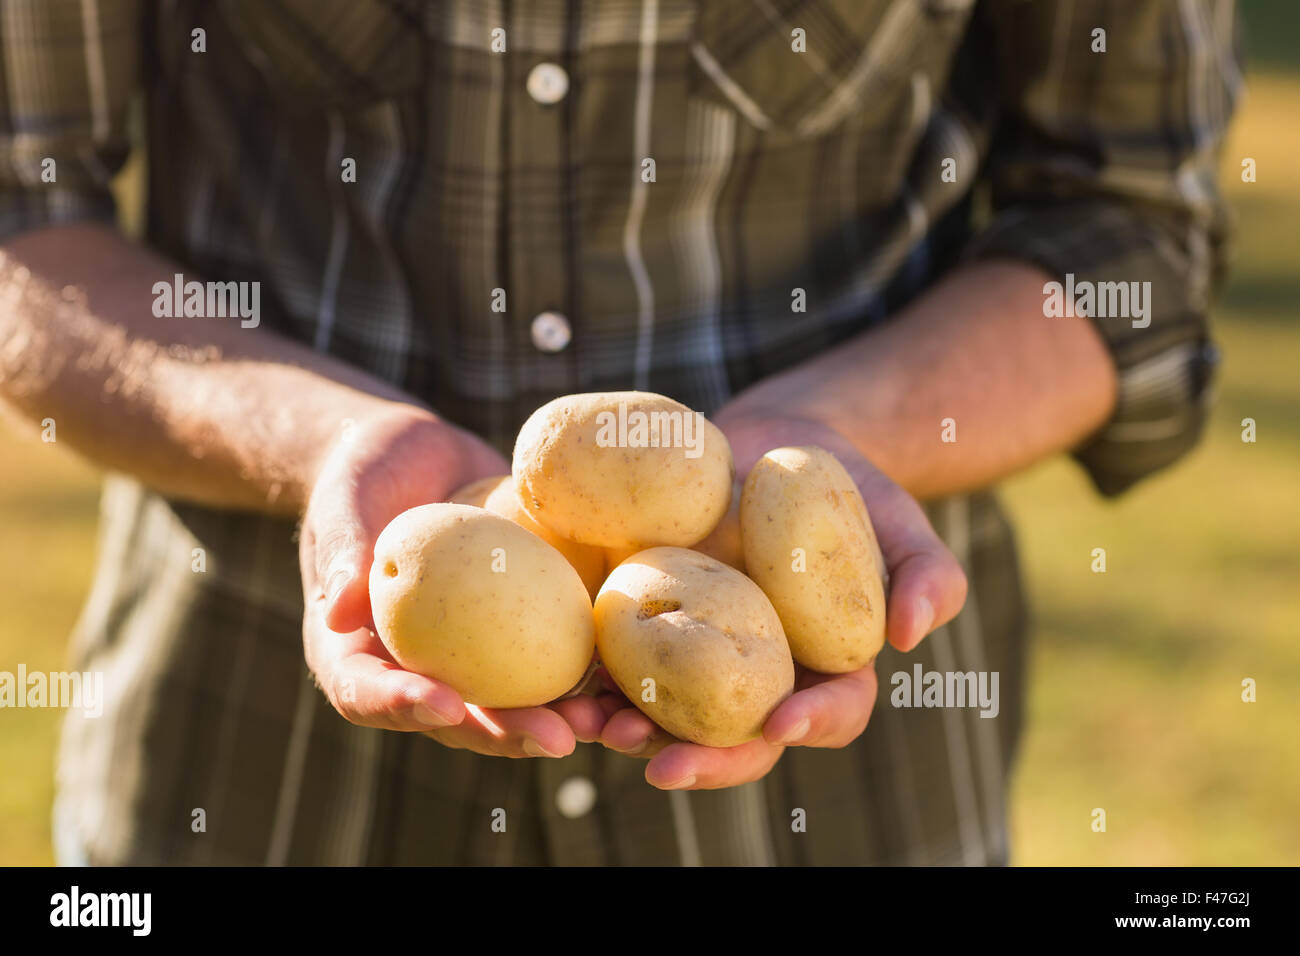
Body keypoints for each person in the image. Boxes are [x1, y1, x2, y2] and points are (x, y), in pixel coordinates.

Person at [0, 0, 1238, 865]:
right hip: (249, 776)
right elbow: (22, 204)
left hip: (853, 819)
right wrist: (321, 442)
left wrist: (819, 444)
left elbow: (1127, 231)